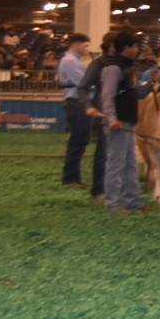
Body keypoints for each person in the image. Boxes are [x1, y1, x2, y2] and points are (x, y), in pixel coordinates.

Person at [90, 31, 151, 212]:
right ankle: (113, 204)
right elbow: (107, 96)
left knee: (130, 162)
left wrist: (152, 81)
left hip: (128, 120)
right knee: (116, 163)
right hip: (118, 122)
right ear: (126, 48)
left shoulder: (129, 68)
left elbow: (139, 93)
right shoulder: (113, 68)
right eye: (135, 46)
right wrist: (111, 119)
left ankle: (133, 201)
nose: (137, 49)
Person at [58, 33, 105, 198]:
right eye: (85, 46)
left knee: (79, 140)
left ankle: (72, 176)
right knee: (78, 141)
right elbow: (83, 82)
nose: (87, 49)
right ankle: (70, 177)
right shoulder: (70, 61)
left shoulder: (73, 61)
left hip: (77, 103)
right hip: (76, 103)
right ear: (76, 45)